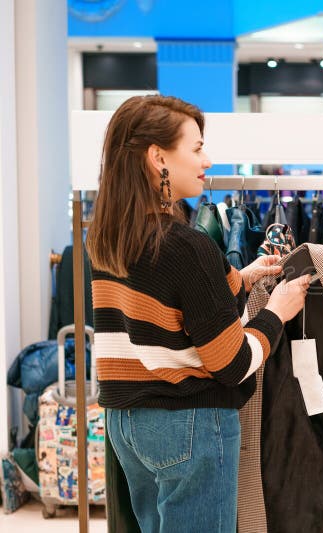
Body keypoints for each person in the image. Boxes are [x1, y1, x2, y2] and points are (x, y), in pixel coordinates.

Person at [86, 95, 310, 532]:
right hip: (187, 423)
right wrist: (277, 313)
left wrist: (240, 279)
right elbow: (232, 364)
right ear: (158, 157)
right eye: (196, 148)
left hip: (127, 423)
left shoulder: (109, 237)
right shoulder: (186, 246)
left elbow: (163, 307)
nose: (207, 160)